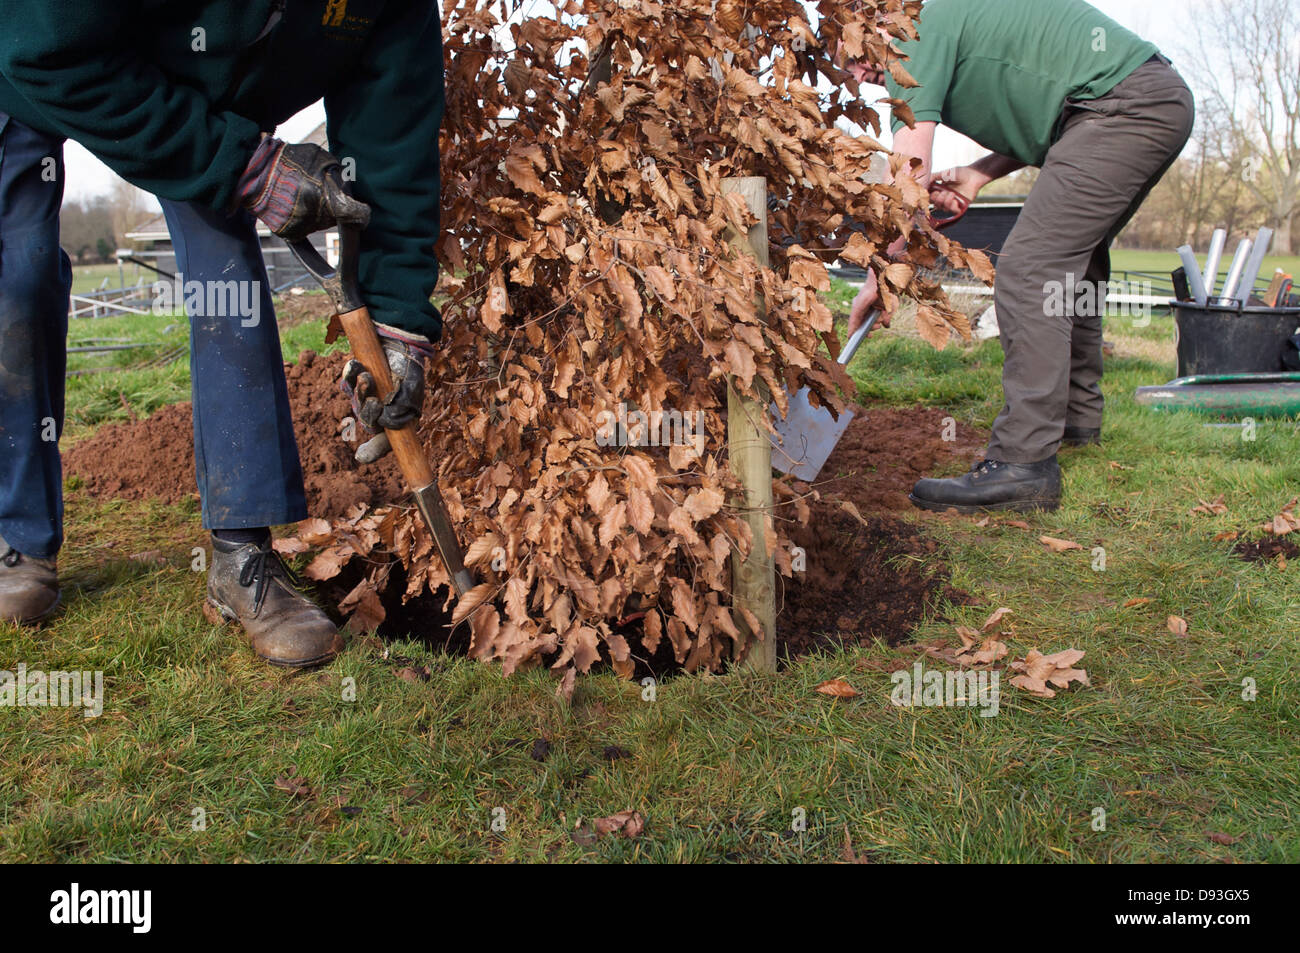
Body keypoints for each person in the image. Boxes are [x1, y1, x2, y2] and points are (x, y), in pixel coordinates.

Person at [0, 1, 446, 666]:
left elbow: (393, 136)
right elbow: (43, 49)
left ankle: (242, 561)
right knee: (16, 278)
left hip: (193, 89)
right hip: (35, 62)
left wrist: (398, 320)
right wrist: (247, 166)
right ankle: (16, 537)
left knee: (228, 280)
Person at [845, 0, 1193, 513]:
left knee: (1033, 269)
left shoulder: (907, 29)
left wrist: (886, 269)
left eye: (851, 52)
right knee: (1075, 261)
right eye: (847, 70)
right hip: (1140, 100)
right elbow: (1057, 111)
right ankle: (1076, 418)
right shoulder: (940, 21)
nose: (860, 73)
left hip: (1123, 106)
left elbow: (909, 170)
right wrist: (979, 174)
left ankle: (1023, 465)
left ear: (870, 14)